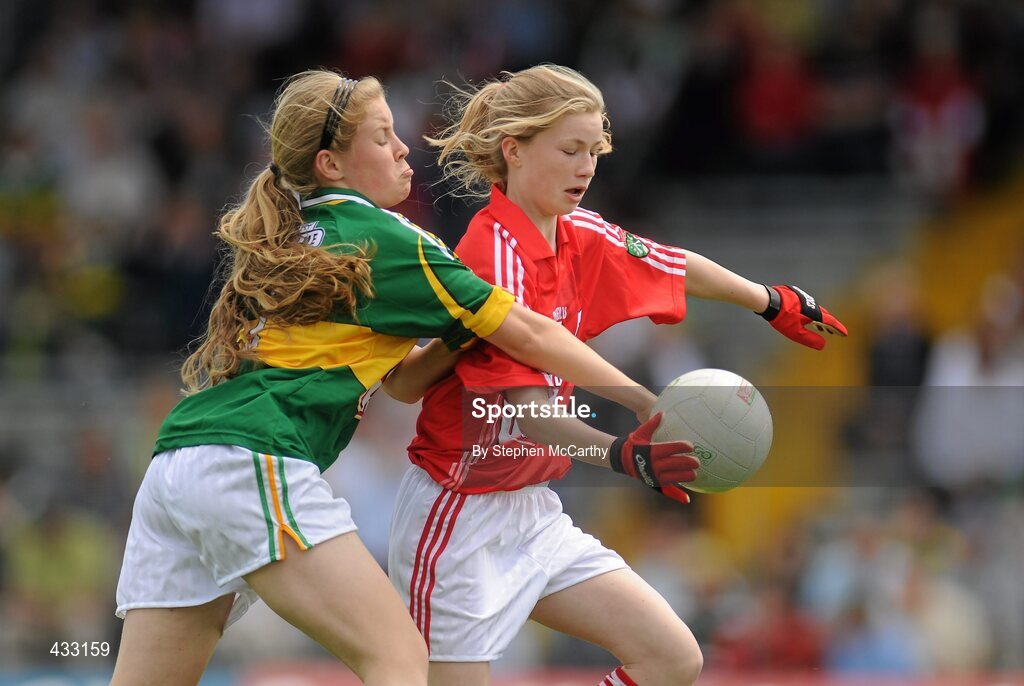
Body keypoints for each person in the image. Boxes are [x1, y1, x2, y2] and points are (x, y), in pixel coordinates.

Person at [111, 69, 675, 686]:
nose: (404, 149)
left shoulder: (290, 232)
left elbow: (402, 379)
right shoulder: (387, 235)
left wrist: (457, 338)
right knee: (398, 660)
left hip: (177, 464)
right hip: (254, 458)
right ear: (331, 164)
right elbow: (534, 334)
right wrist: (638, 395)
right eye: (383, 138)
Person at [385, 65, 847, 686]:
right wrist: (623, 456)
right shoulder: (489, 253)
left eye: (595, 152)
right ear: (513, 151)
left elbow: (674, 265)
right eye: (570, 150)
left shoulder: (579, 234)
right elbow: (521, 406)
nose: (586, 167)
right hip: (456, 518)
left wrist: (768, 300)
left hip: (533, 512)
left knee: (672, 658)